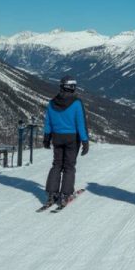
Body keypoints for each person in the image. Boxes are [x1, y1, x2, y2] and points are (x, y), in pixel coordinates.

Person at [41, 75, 90, 208]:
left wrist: (46, 138)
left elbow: (48, 122)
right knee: (69, 166)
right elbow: (81, 124)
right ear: (73, 87)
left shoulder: (52, 103)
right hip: (72, 139)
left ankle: (52, 193)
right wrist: (85, 141)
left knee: (57, 164)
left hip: (57, 137)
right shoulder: (76, 103)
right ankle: (65, 194)